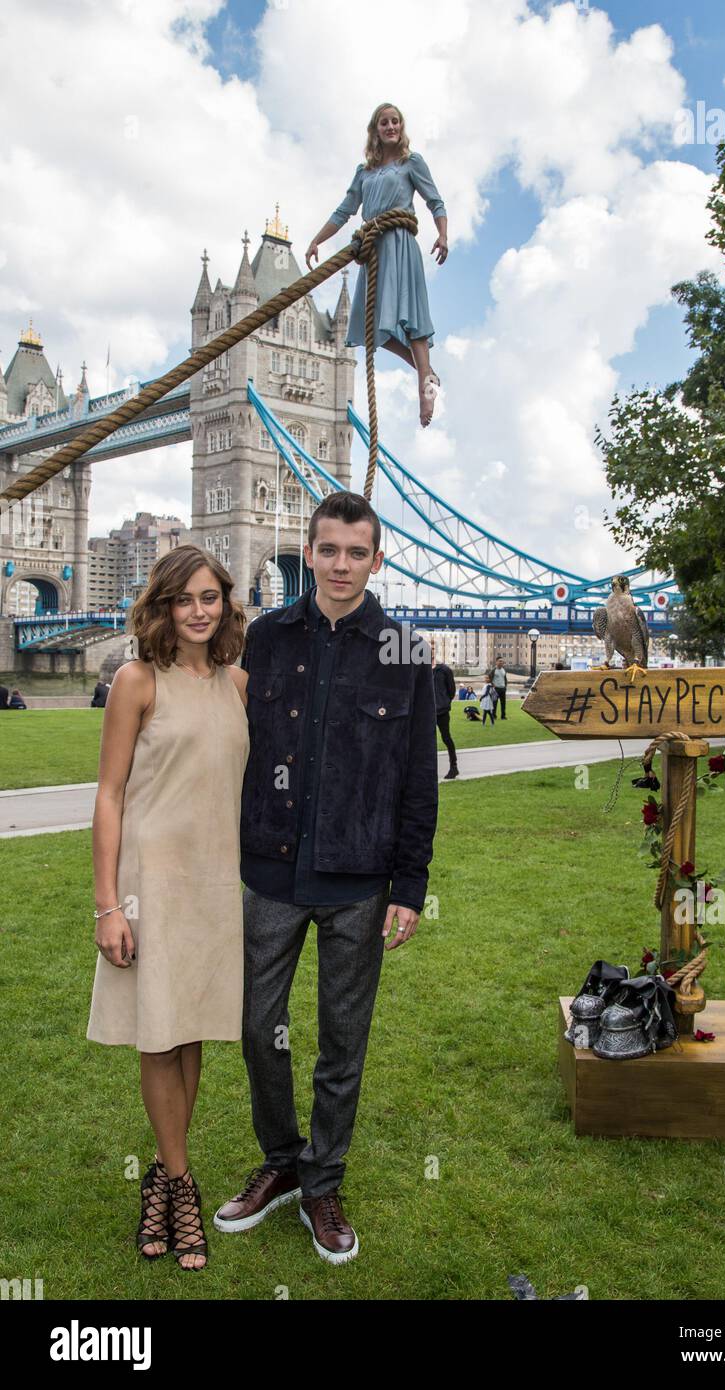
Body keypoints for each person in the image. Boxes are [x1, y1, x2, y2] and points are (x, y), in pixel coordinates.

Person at [215, 491, 438, 1265]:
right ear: (307, 554)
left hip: (359, 881)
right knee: (255, 1026)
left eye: (357, 552)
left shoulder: (405, 650)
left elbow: (419, 780)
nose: (341, 565)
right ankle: (280, 1161)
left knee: (343, 1042)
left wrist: (410, 885)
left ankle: (323, 1182)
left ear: (378, 560)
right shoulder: (265, 639)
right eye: (329, 550)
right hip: (270, 872)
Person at [86, 546, 249, 1270]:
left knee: (191, 1031)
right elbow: (110, 795)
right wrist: (106, 906)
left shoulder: (239, 683)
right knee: (157, 1033)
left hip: (216, 880)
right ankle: (181, 1187)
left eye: (210, 597)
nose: (198, 611)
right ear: (163, 605)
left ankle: (162, 1173)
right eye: (184, 599)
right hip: (148, 880)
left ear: (225, 605)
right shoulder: (136, 681)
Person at [305, 102, 448, 428]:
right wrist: (317, 239)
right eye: (384, 122)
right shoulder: (364, 172)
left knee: (411, 316)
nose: (391, 127)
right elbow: (344, 211)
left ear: (401, 127)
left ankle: (423, 387)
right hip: (375, 250)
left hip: (399, 242)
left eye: (395, 121)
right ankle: (425, 371)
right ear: (376, 129)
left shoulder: (412, 163)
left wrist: (442, 234)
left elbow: (434, 201)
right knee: (372, 331)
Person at [431, 641, 458, 780]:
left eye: (432, 649)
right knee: (427, 742)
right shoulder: (420, 669)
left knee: (446, 738)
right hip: (426, 713)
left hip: (441, 711)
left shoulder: (444, 670)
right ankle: (428, 770)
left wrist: (444, 702)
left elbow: (452, 691)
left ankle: (454, 767)